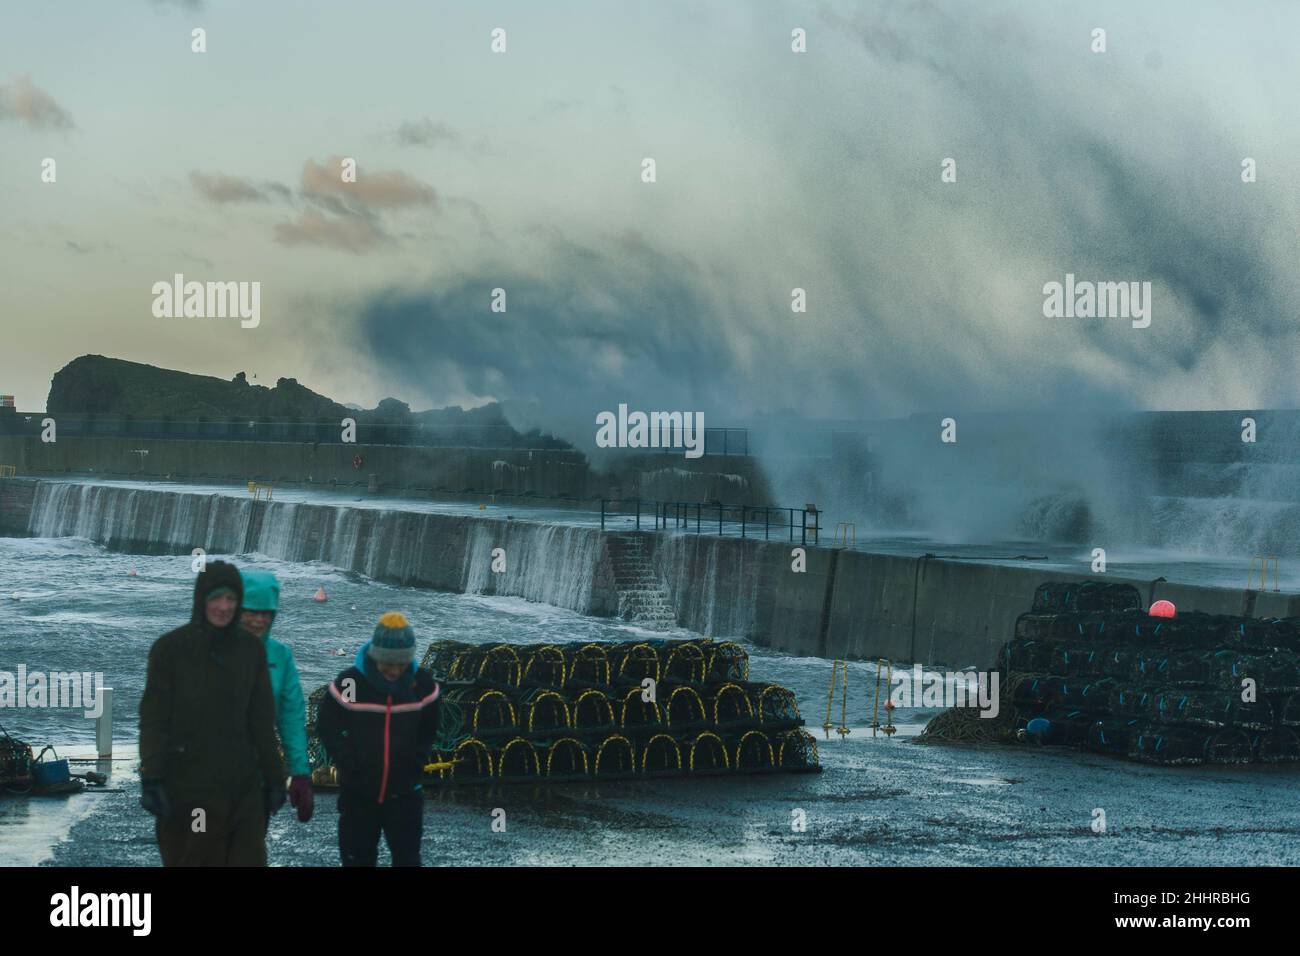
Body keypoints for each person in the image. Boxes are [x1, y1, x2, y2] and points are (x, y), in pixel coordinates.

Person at [139, 560, 286, 866]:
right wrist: (152, 778)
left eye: (231, 599)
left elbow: (261, 721)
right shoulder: (170, 650)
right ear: (201, 599)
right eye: (216, 598)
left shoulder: (251, 651)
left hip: (243, 789)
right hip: (188, 788)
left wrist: (274, 779)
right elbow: (154, 720)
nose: (223, 607)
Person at [315, 612, 440, 867]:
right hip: (357, 797)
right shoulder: (349, 683)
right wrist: (349, 765)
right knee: (357, 861)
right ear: (375, 654)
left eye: (401, 663)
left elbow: (429, 729)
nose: (394, 670)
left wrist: (415, 764)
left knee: (407, 861)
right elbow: (327, 726)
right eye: (387, 662)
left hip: (406, 797)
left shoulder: (424, 685)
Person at [239, 569, 313, 823]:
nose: (260, 620)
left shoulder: (281, 656)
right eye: (252, 612)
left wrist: (300, 773)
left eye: (267, 613)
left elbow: (290, 716)